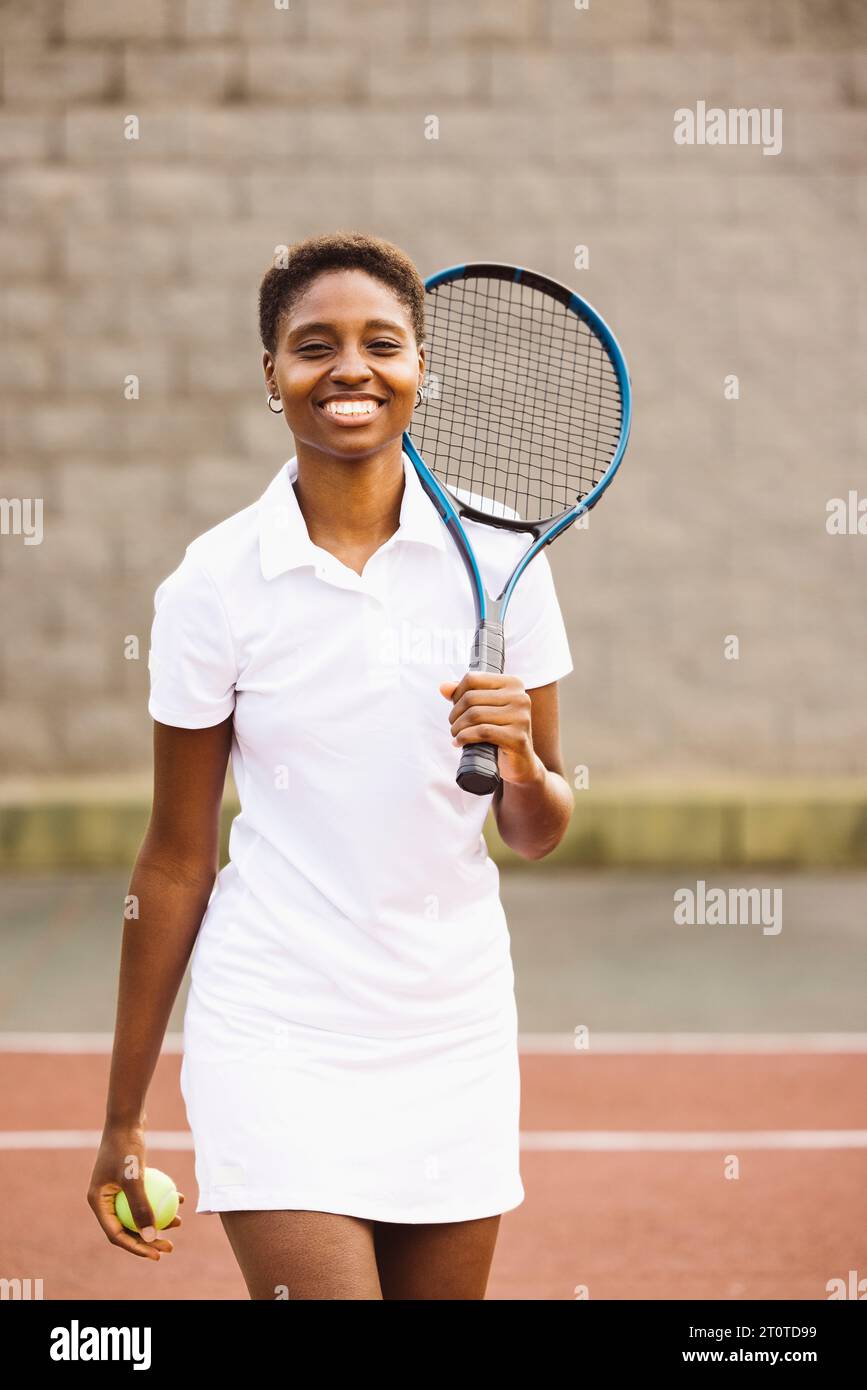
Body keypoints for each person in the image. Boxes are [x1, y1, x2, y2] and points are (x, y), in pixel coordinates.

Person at [88, 231, 575, 1300]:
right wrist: (123, 1113)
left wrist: (525, 763)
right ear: (273, 374)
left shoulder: (505, 563)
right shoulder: (214, 585)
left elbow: (536, 829)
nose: (351, 368)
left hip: (452, 1027)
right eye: (315, 346)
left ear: (420, 368)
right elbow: (174, 859)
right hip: (275, 1027)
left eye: (382, 344)